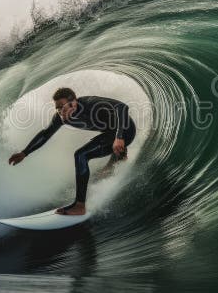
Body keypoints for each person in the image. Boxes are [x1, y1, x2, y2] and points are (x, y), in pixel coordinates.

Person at [8, 87, 136, 215]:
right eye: (57, 109)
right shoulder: (61, 117)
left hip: (125, 131)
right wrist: (25, 152)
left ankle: (80, 206)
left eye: (62, 107)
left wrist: (119, 137)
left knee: (81, 155)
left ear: (73, 103)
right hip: (109, 134)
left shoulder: (90, 103)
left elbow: (122, 107)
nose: (60, 112)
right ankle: (119, 157)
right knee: (105, 169)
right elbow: (45, 134)